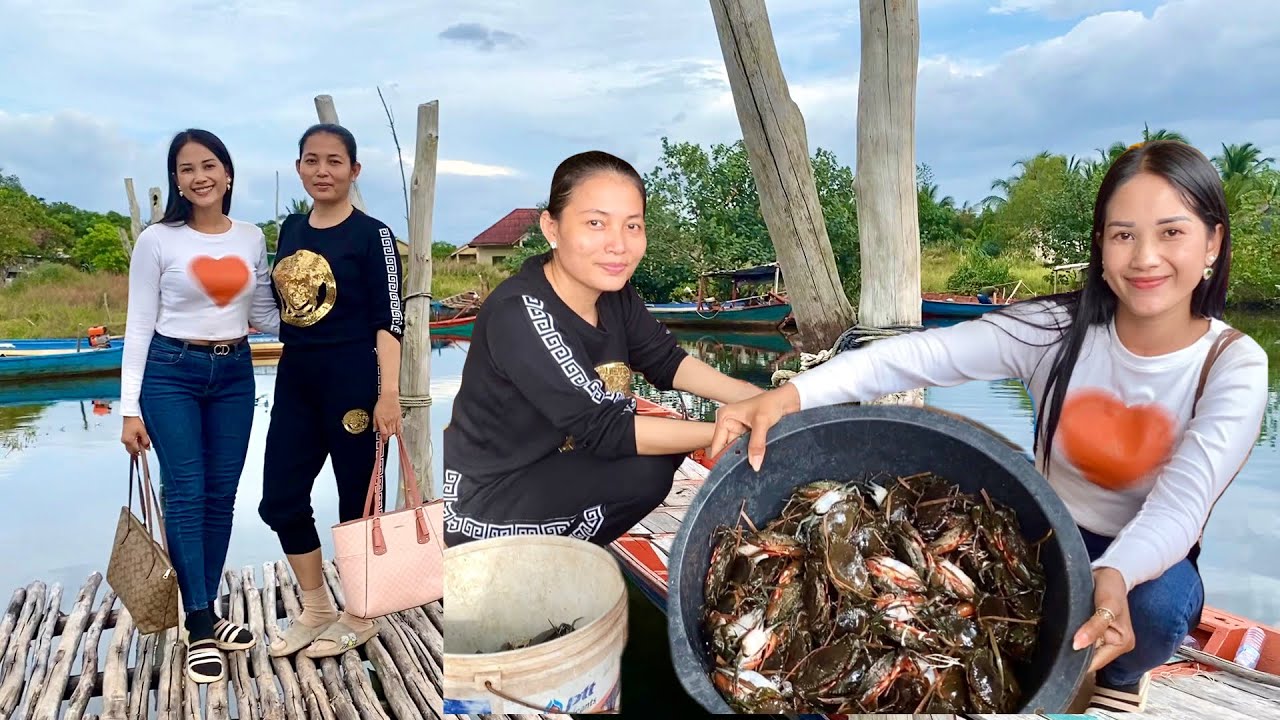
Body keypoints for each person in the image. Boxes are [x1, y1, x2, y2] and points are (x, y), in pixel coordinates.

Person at [708, 140, 1268, 714]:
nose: (1146, 257)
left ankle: (1119, 675)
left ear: (1212, 242)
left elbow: (1180, 507)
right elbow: (915, 356)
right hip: (1045, 526)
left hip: (1148, 561)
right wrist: (791, 395)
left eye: (1172, 232)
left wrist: (1114, 574)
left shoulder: (1232, 366)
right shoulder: (1055, 329)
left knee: (1155, 611)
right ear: (1101, 245)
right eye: (1124, 234)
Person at [442, 150, 762, 547]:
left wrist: (756, 399)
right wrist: (726, 431)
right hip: (484, 501)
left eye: (632, 226)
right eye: (596, 223)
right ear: (552, 228)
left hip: (553, 467)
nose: (618, 245)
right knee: (647, 468)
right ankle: (548, 559)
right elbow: (606, 429)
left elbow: (665, 360)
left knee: (661, 452)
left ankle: (569, 547)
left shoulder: (613, 294)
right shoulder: (519, 313)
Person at [120, 128, 281, 683]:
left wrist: (326, 319)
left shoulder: (251, 238)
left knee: (222, 495)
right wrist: (128, 409)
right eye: (187, 169)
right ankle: (198, 625)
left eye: (209, 165)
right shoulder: (157, 241)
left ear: (228, 173)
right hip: (171, 373)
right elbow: (138, 325)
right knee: (186, 492)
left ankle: (205, 607)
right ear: (177, 180)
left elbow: (263, 311)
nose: (199, 177)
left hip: (234, 371)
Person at [259, 124, 404, 659]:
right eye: (312, 160)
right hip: (297, 377)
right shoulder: (292, 228)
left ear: (354, 170)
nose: (323, 171)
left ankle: (361, 614)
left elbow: (390, 320)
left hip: (355, 381)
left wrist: (389, 394)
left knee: (357, 503)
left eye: (335, 161)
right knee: (280, 499)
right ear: (299, 167)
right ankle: (318, 607)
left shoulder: (373, 236)